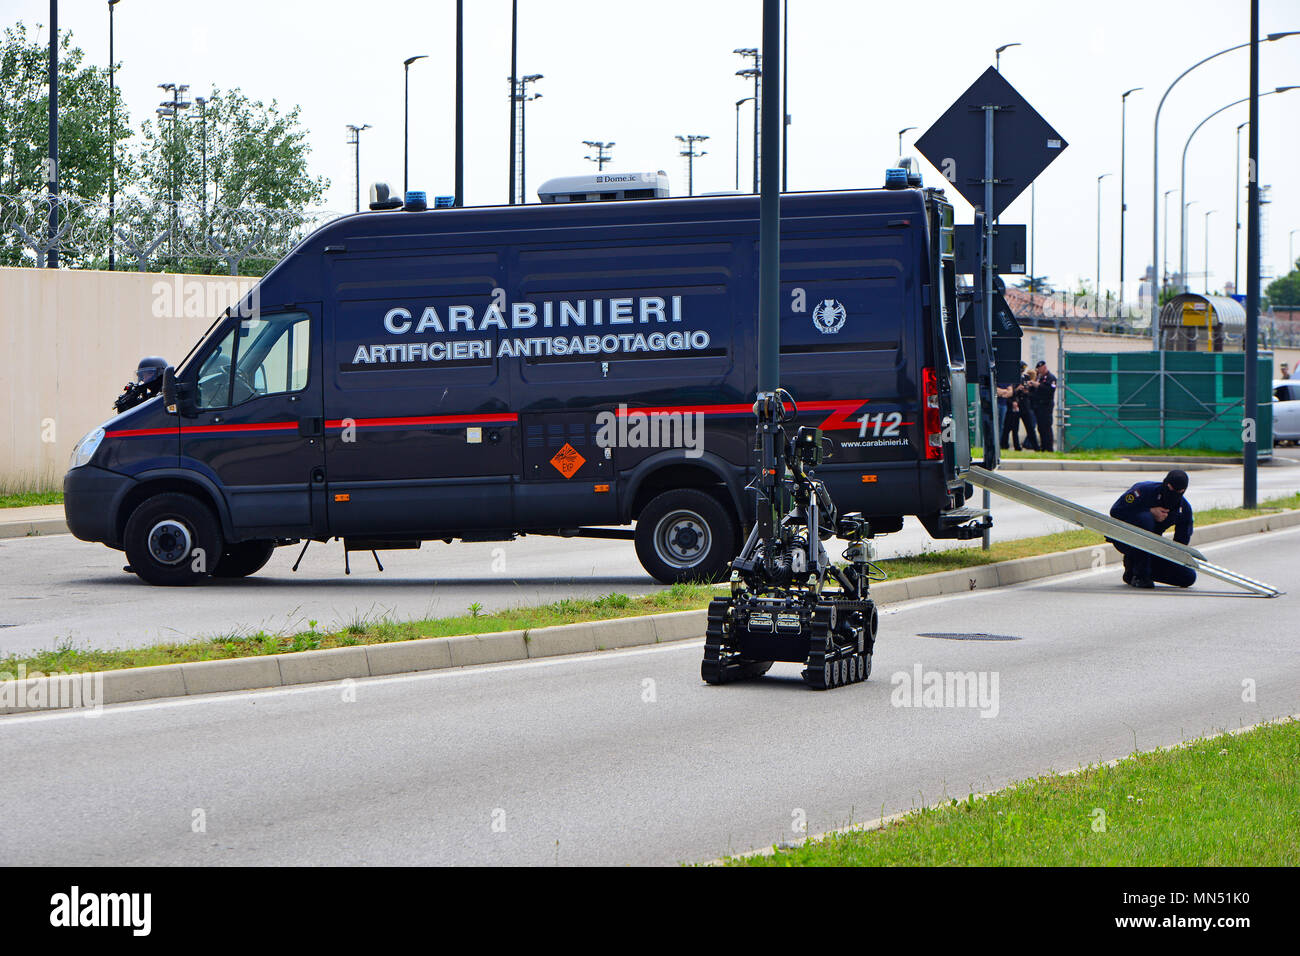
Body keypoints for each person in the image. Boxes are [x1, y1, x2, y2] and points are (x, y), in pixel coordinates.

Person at [1108, 469, 1196, 589]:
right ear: (1165, 483)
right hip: (1127, 539)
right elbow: (1116, 511)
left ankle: (1133, 570)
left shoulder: (1183, 509)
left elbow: (1181, 544)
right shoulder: (1144, 491)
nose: (1173, 494)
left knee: (1188, 577)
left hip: (1152, 547)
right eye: (1170, 489)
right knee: (1146, 519)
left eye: (1179, 491)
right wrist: (1149, 511)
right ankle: (1140, 576)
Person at [1028, 360, 1057, 451]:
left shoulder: (1050, 378)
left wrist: (1038, 385)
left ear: (1044, 368)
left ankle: (1049, 447)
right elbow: (1035, 392)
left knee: (1046, 427)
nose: (1038, 371)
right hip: (1038, 406)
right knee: (1040, 427)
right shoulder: (1039, 377)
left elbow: (1050, 390)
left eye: (1039, 369)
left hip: (1046, 406)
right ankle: (1043, 446)